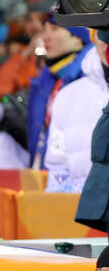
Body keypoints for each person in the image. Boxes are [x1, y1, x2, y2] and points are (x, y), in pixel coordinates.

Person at [29, 13, 95, 172]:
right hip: (42, 179)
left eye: (55, 28)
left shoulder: (92, 80)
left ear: (78, 38)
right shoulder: (46, 78)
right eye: (44, 29)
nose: (46, 37)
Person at [45, 32, 109, 194]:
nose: (106, 40)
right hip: (80, 214)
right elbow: (57, 165)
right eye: (101, 30)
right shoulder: (67, 96)